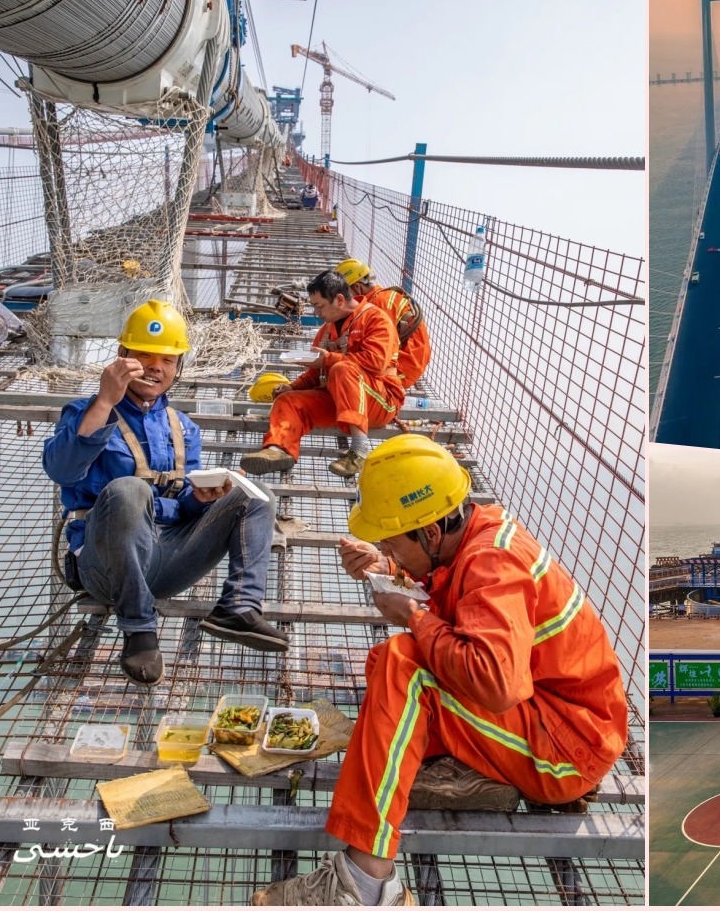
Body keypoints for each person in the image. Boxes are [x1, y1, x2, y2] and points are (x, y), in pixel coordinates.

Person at [255, 435, 628, 905]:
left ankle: (364, 884)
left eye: (392, 539)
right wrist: (386, 565)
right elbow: (457, 592)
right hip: (550, 720)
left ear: (430, 533)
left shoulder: (495, 562)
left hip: (566, 750)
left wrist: (412, 616)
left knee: (400, 664)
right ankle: (463, 771)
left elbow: (495, 682)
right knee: (385, 665)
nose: (389, 547)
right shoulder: (480, 536)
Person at [42, 299, 287, 686]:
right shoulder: (84, 411)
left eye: (168, 360)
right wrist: (105, 401)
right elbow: (62, 469)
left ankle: (239, 605)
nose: (156, 366)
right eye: (143, 355)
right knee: (127, 490)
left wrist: (200, 498)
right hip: (103, 566)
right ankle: (139, 629)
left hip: (166, 558)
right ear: (121, 358)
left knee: (254, 494)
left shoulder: (184, 428)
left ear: (177, 368)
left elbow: (184, 503)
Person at [242, 271, 404, 480]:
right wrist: (293, 387)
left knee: (341, 369)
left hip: (381, 400)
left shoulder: (376, 318)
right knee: (288, 400)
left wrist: (329, 360)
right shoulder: (326, 330)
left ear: (338, 299)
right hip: (342, 399)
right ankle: (279, 450)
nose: (316, 312)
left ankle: (359, 451)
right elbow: (315, 372)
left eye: (319, 306)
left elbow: (375, 362)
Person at [334, 258, 433, 392]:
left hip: (406, 365)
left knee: (345, 377)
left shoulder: (378, 304)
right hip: (408, 358)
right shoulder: (380, 298)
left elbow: (379, 351)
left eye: (346, 295)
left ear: (357, 286)